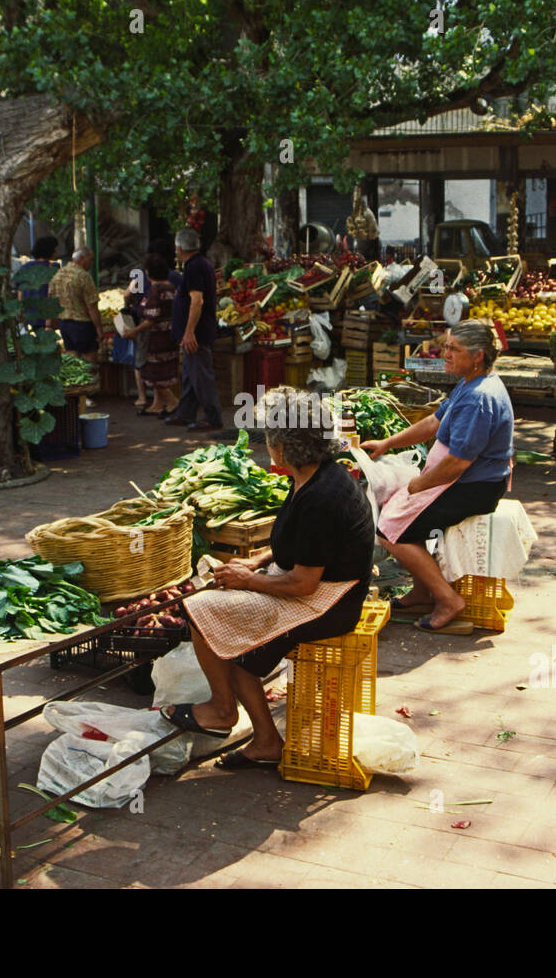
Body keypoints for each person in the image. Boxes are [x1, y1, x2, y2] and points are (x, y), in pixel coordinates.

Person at [163, 388, 374, 767]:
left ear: (284, 446)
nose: (268, 446)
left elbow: (303, 584)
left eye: (270, 439)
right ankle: (265, 742)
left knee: (198, 608)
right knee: (234, 639)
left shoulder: (322, 497)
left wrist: (247, 581)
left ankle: (222, 709)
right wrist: (256, 561)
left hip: (328, 603)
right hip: (316, 587)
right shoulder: (314, 476)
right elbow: (296, 545)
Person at [362, 320, 514, 633]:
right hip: (456, 479)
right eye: (446, 346)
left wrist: (417, 486)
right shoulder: (470, 383)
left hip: (473, 486)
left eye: (453, 349)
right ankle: (421, 593)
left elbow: (457, 463)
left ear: (477, 356)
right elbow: (434, 421)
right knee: (400, 513)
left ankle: (447, 599)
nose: (444, 353)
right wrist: (388, 443)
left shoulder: (479, 398)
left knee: (390, 530)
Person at [163, 228, 222, 432]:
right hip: (197, 330)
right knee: (190, 372)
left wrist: (189, 332)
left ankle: (212, 417)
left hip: (197, 332)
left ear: (179, 248)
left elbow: (197, 301)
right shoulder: (200, 263)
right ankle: (185, 412)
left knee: (201, 373)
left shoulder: (194, 267)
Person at [122, 254, 180, 416]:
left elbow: (151, 319)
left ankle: (173, 402)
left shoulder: (156, 291)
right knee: (163, 371)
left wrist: (134, 331)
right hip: (169, 335)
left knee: (153, 373)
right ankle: (158, 405)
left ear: (148, 273)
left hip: (155, 338)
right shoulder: (171, 288)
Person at [46, 247, 102, 360]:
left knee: (73, 361)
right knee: (89, 363)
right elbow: (91, 307)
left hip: (64, 325)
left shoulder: (57, 275)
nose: (92, 263)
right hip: (83, 325)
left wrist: (49, 325)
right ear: (81, 258)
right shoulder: (83, 276)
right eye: (90, 259)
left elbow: (50, 302)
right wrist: (99, 329)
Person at [19, 235, 59, 328]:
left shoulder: (25, 268)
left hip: (29, 316)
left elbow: (20, 293)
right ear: (51, 251)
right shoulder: (53, 268)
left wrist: (20, 315)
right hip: (47, 317)